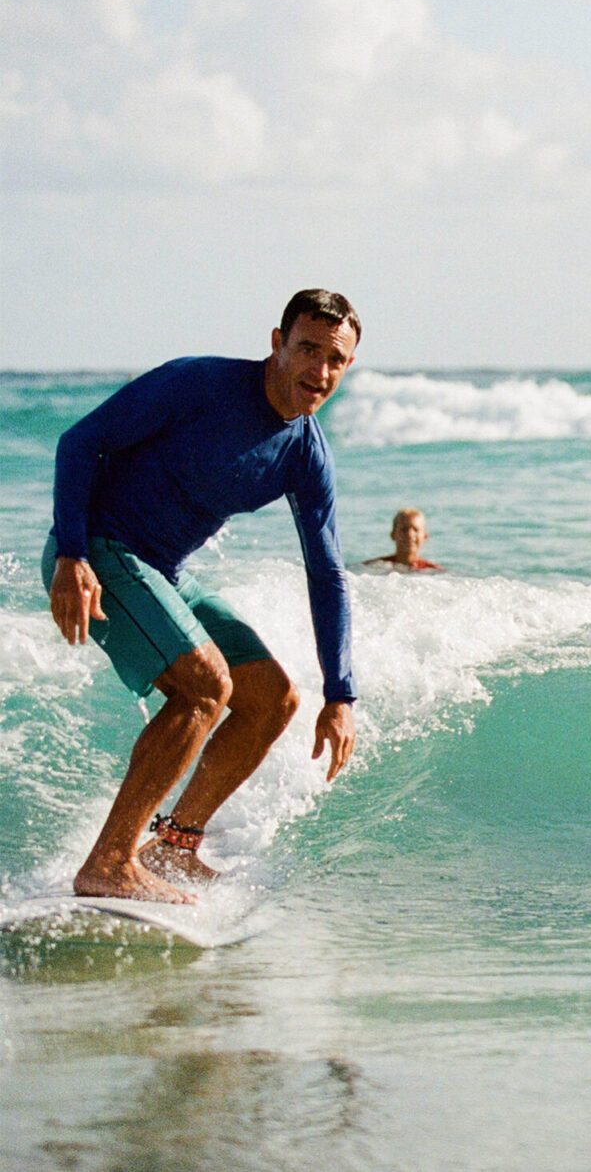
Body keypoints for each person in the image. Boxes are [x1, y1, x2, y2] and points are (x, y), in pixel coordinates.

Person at [44, 289, 362, 903]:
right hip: (99, 548)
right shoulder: (199, 385)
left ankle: (173, 846)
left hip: (162, 568)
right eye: (308, 350)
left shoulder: (305, 452)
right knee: (206, 687)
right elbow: (79, 443)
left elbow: (327, 573)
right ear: (277, 343)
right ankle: (108, 863)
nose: (319, 372)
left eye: (336, 360)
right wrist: (73, 556)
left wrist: (341, 693)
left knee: (272, 699)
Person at [364, 507, 442, 572]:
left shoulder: (433, 571)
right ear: (393, 535)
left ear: (425, 537)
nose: (410, 535)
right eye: (404, 529)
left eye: (416, 530)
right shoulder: (374, 566)